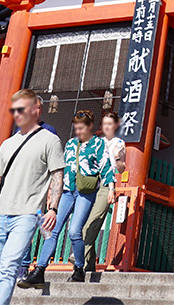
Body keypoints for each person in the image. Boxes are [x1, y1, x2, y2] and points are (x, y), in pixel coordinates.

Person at [0, 89, 65, 305]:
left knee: (8, 268)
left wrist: (53, 208)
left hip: (26, 214)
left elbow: (57, 176)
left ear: (37, 109)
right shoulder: (7, 144)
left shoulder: (50, 140)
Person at [19, 110, 107, 287]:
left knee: (75, 231)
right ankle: (39, 271)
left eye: (81, 128)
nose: (78, 132)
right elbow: (61, 167)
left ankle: (79, 269)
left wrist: (110, 187)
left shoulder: (98, 144)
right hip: (67, 190)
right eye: (76, 128)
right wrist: (53, 191)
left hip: (85, 192)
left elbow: (106, 167)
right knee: (52, 230)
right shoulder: (70, 144)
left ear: (89, 127)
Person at [81, 111, 126, 272]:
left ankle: (79, 254)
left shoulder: (119, 143)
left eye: (110, 124)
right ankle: (90, 263)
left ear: (115, 126)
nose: (106, 127)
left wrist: (118, 157)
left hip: (106, 186)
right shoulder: (96, 142)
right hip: (90, 184)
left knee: (93, 222)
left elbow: (121, 169)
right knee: (84, 221)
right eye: (104, 124)